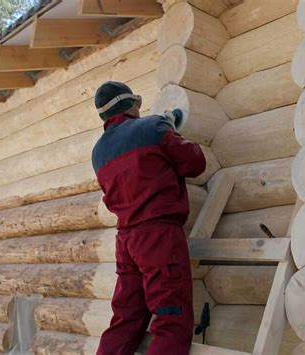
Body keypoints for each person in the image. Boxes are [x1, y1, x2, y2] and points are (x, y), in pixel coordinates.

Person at [92, 81, 206, 355]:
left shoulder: (98, 153)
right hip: (158, 237)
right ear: (132, 105)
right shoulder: (153, 127)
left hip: (126, 241)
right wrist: (168, 130)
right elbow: (195, 163)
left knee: (125, 320)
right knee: (171, 321)